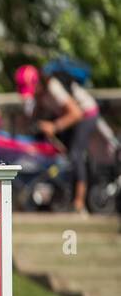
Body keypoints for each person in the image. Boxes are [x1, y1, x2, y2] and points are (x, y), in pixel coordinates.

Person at [22, 62, 97, 214]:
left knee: (76, 154)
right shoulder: (40, 94)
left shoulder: (54, 87)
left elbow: (76, 113)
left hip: (86, 114)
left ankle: (79, 203)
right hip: (68, 118)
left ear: (38, 83)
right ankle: (63, 196)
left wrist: (54, 127)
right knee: (62, 154)